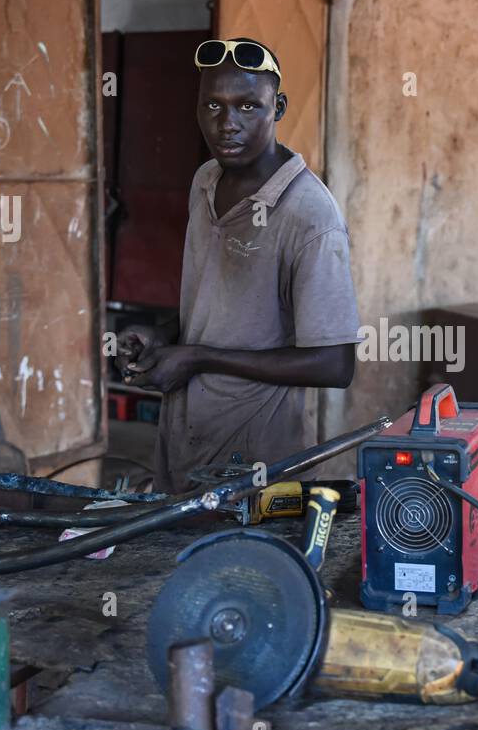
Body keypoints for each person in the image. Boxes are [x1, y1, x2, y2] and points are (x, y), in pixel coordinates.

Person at [119, 38, 360, 493]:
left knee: (241, 564)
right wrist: (165, 336)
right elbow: (220, 300)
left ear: (279, 107)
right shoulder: (205, 180)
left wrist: (198, 358)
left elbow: (334, 364)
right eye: (213, 104)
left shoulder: (309, 215)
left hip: (256, 464)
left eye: (248, 106)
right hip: (185, 441)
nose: (227, 124)